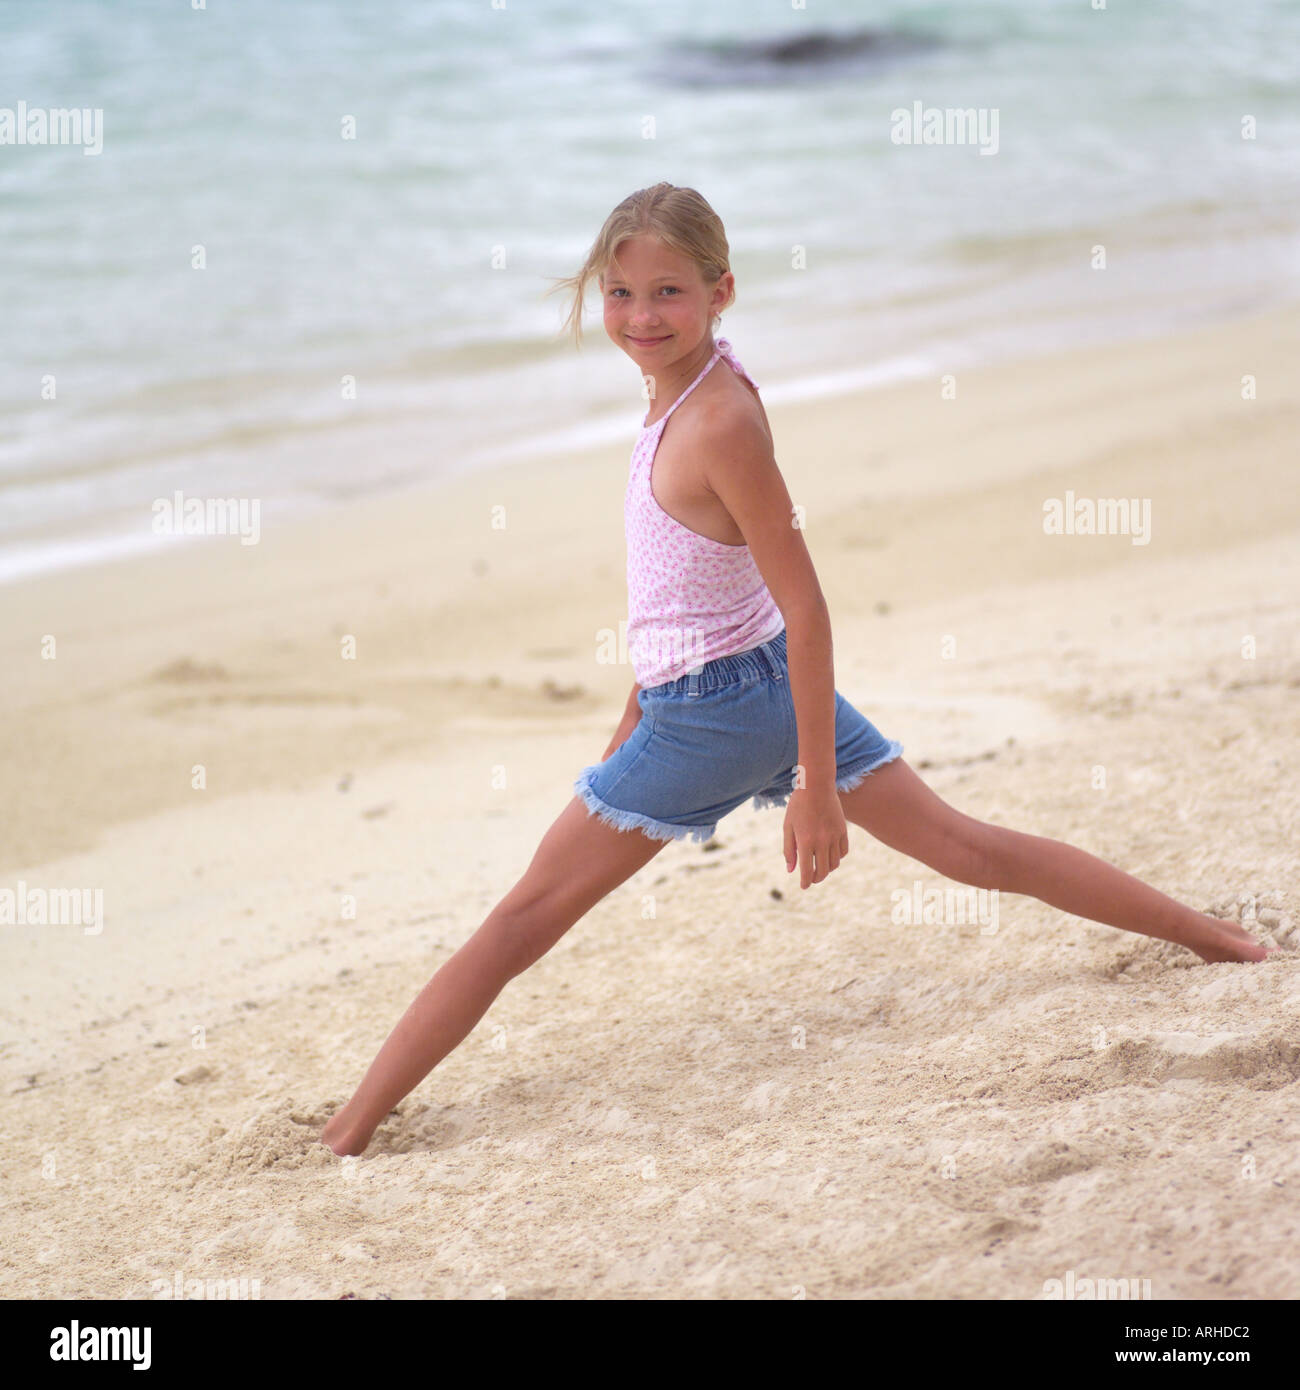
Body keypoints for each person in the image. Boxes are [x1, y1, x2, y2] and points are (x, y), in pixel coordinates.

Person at [319, 183, 1268, 1157]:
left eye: (668, 293)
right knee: (972, 851)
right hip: (743, 690)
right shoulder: (696, 385)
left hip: (726, 711)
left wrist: (813, 785)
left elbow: (808, 603)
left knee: (519, 920)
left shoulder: (719, 420)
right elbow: (688, 595)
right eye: (620, 293)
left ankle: (347, 1129)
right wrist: (636, 715)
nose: (641, 317)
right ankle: (1221, 940)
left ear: (720, 291)